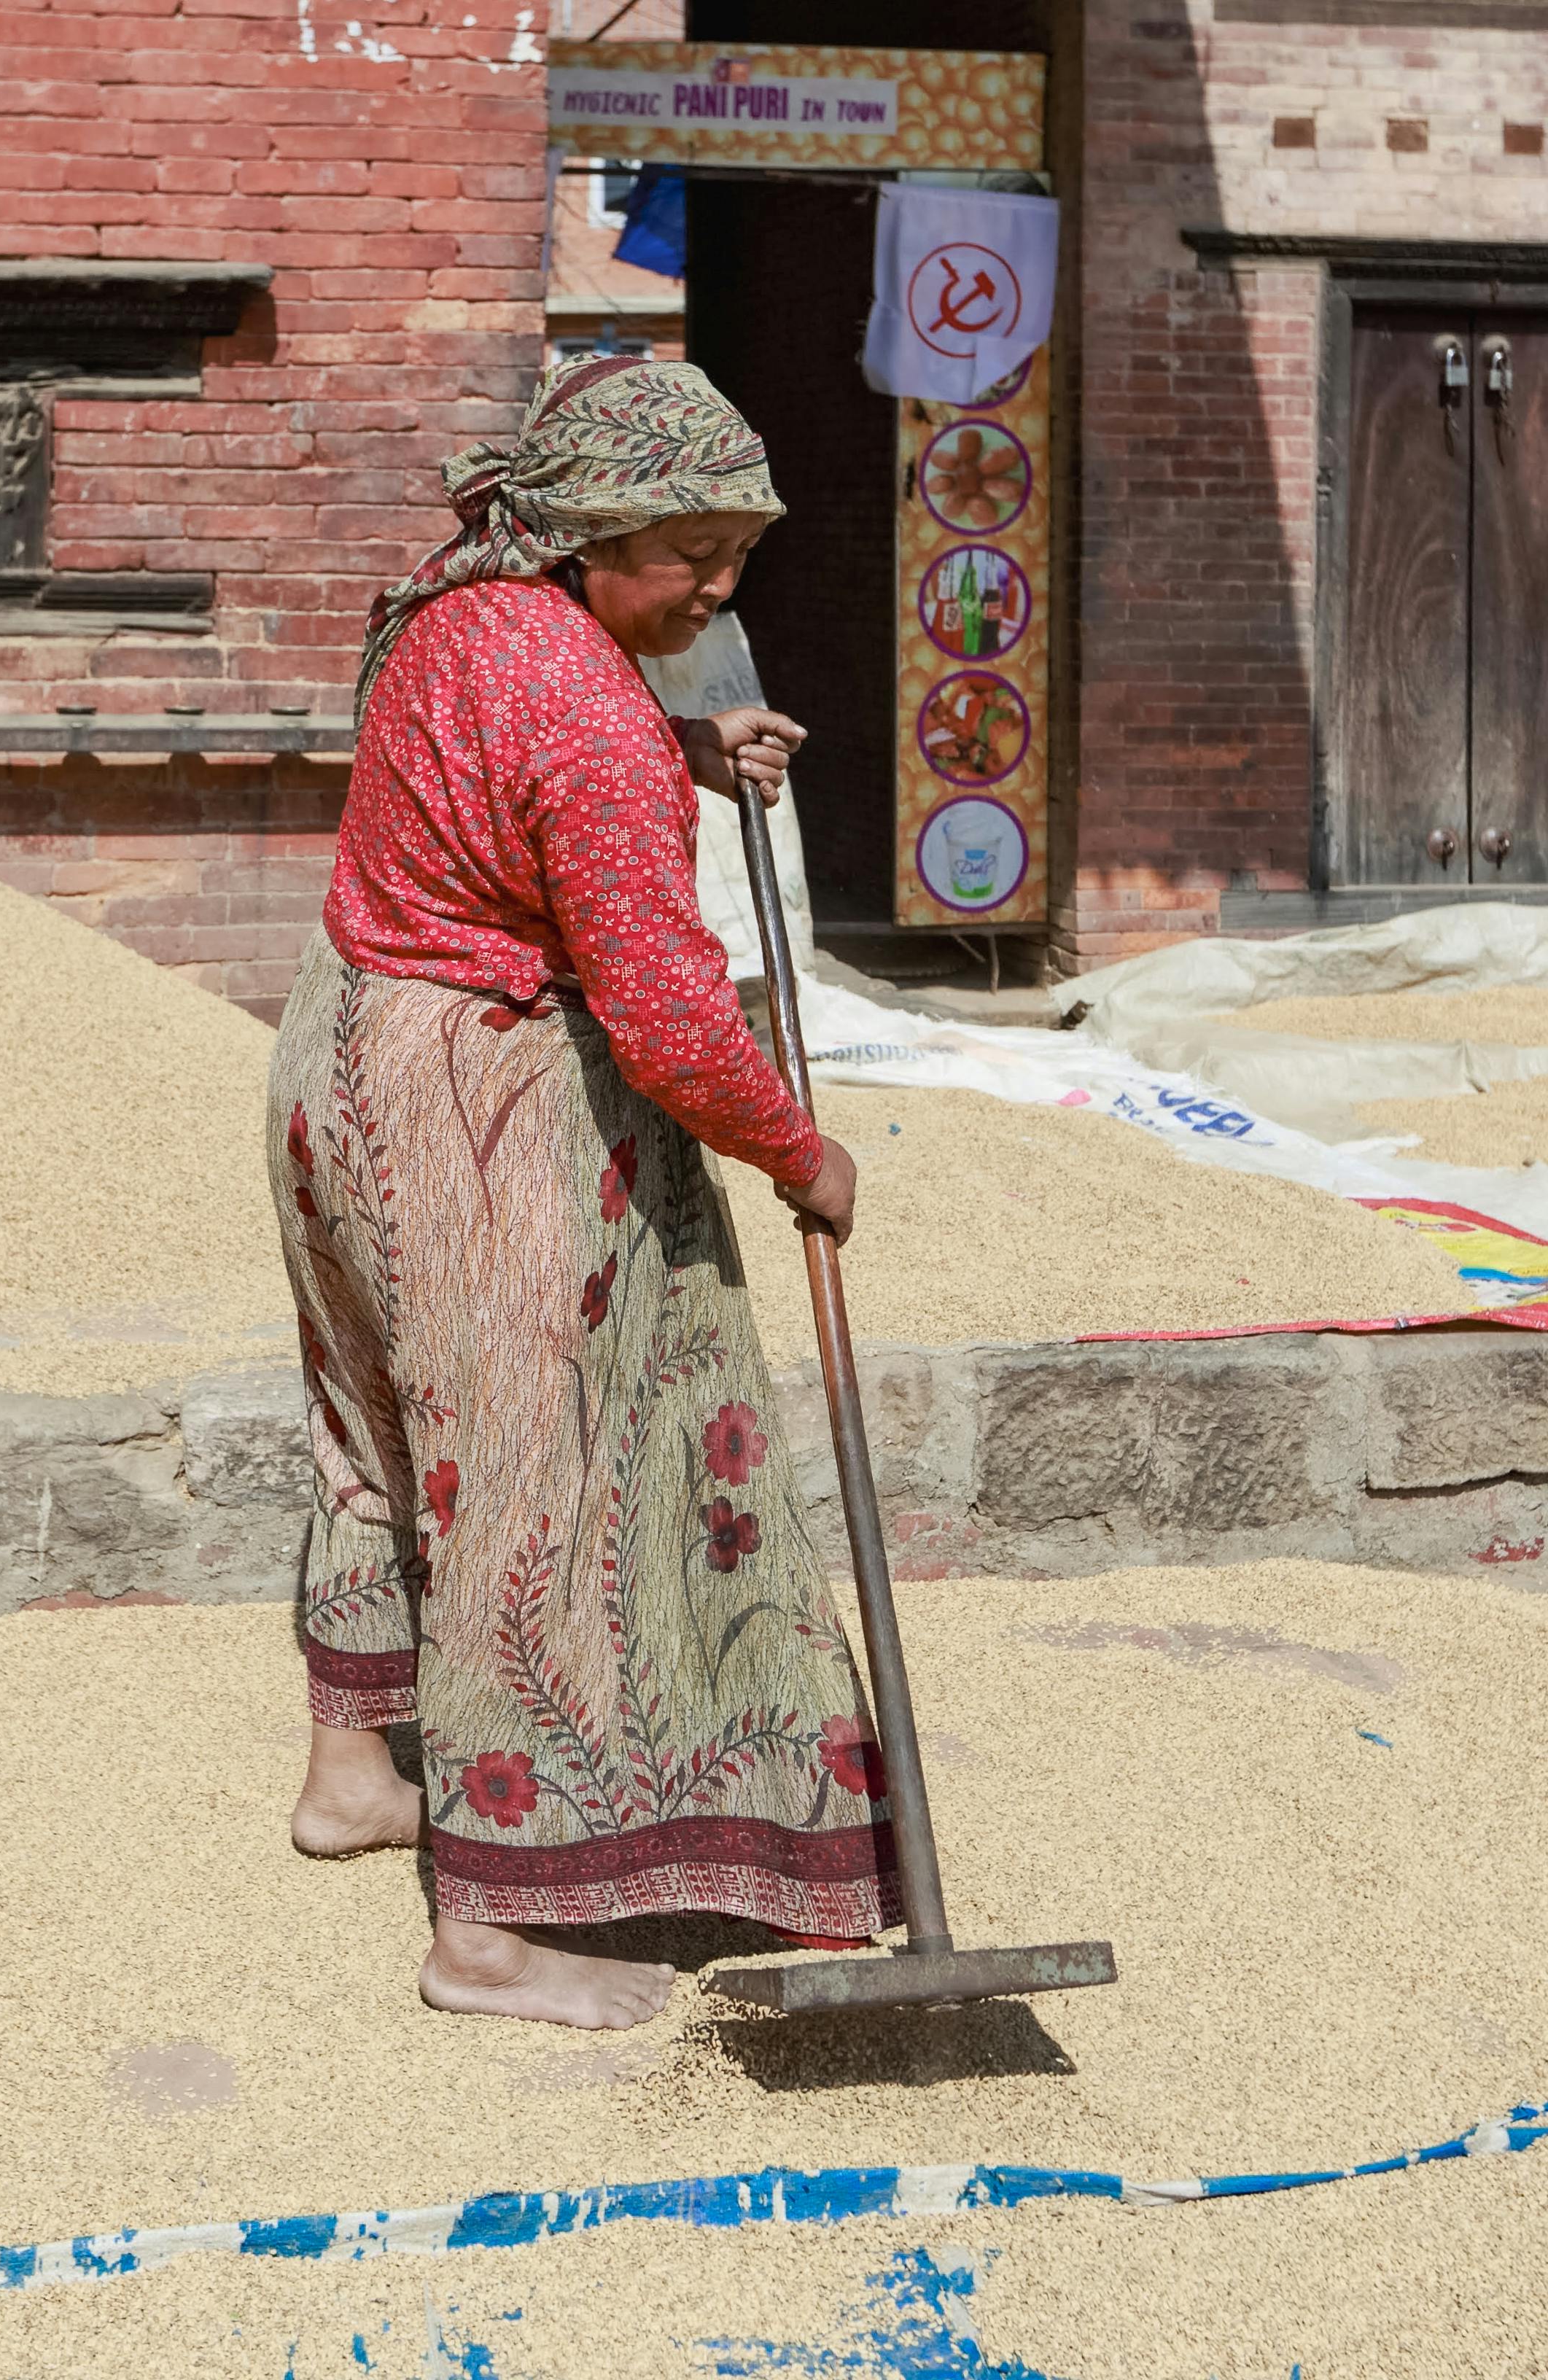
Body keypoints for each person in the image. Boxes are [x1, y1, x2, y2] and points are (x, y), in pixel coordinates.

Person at [268, 355, 895, 2031]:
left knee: (378, 1423)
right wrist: (797, 1153)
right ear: (583, 533)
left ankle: (354, 1775)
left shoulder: (452, 612)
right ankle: (492, 1926)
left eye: (732, 555)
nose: (715, 586)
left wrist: (685, 743)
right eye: (683, 553)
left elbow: (501, 777)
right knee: (526, 1481)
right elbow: (673, 1013)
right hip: (474, 1092)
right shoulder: (584, 712)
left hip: (339, 1057)